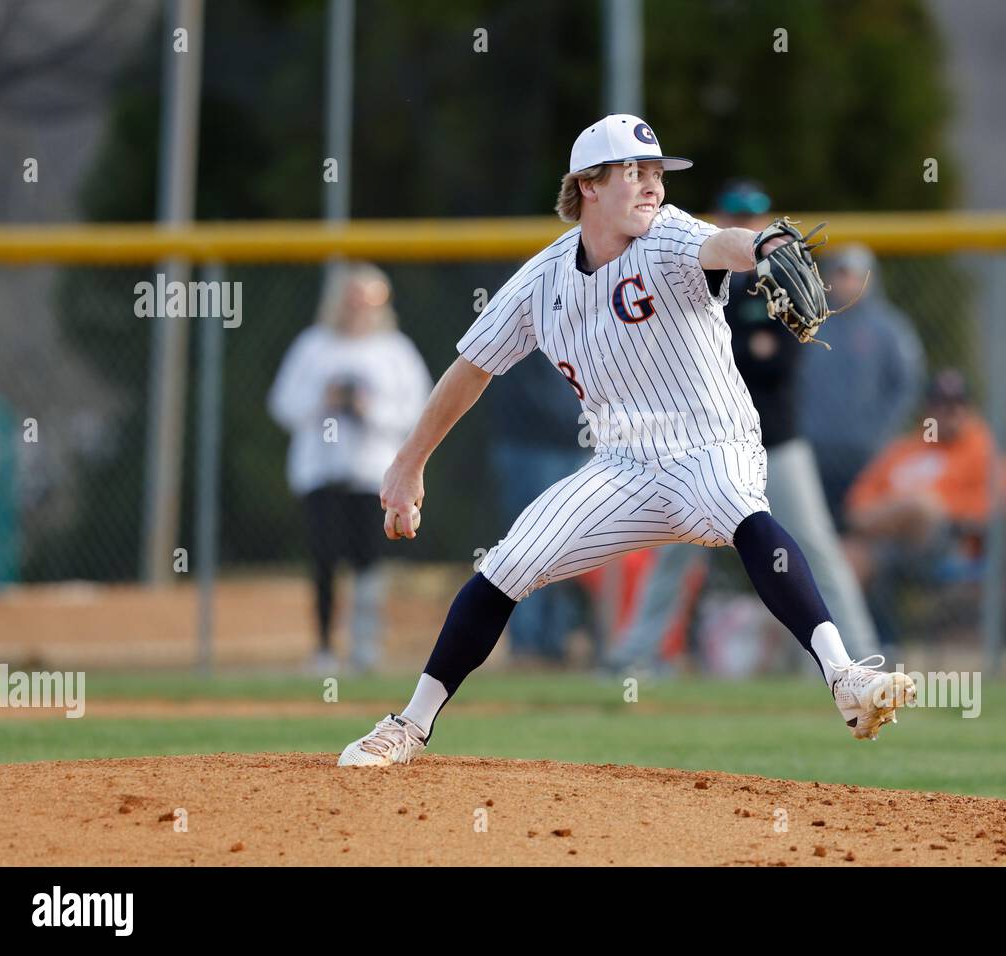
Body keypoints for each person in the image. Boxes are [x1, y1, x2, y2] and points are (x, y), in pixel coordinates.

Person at [337, 114, 915, 766]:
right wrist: (409, 464)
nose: (651, 187)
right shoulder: (541, 281)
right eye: (633, 173)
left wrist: (764, 248)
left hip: (711, 444)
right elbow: (470, 370)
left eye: (656, 173)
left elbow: (722, 244)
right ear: (587, 183)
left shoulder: (667, 236)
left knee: (740, 507)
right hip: (620, 467)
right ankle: (409, 726)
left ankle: (845, 677)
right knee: (506, 564)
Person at [605, 180, 879, 674]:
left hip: (776, 441)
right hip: (705, 444)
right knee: (675, 553)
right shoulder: (693, 266)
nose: (747, 222)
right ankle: (632, 661)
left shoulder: (780, 270)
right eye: (736, 213)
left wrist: (739, 350)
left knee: (815, 545)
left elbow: (781, 362)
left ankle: (859, 653)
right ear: (716, 215)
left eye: (755, 214)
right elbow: (691, 357)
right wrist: (749, 346)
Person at [268, 263, 431, 673]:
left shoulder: (395, 350)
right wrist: (323, 399)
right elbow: (283, 404)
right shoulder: (314, 346)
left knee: (369, 557)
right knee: (324, 557)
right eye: (352, 299)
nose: (359, 308)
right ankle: (323, 649)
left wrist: (368, 409)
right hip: (321, 472)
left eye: (368, 300)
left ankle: (364, 647)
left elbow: (419, 411)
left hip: (373, 473)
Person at [843, 369, 1006, 651]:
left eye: (958, 403)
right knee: (844, 559)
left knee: (923, 506)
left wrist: (931, 507)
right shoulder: (905, 449)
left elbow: (994, 508)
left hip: (949, 544)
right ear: (928, 409)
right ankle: (852, 652)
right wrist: (903, 512)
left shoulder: (983, 450)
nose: (950, 411)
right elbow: (858, 503)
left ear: (968, 408)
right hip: (886, 545)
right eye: (941, 403)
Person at [797, 244, 925, 531]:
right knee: (812, 529)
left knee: (860, 530)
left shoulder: (890, 328)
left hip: (866, 453)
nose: (848, 283)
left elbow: (906, 385)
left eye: (856, 275)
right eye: (841, 274)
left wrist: (880, 432)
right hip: (813, 449)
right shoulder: (806, 323)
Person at [487, 350, 593, 662]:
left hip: (575, 444)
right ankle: (527, 645)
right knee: (528, 545)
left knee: (565, 547)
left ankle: (554, 641)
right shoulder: (532, 304)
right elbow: (532, 390)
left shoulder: (588, 311)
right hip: (533, 445)